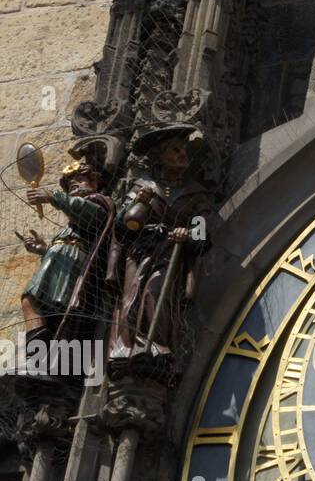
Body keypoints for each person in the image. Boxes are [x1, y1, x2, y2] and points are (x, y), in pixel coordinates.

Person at [106, 126, 214, 369]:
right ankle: (127, 347)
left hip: (170, 252)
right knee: (131, 299)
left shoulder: (196, 194)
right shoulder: (142, 187)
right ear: (159, 157)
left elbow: (202, 230)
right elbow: (124, 227)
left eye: (184, 149)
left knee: (156, 294)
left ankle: (156, 345)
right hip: (140, 252)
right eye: (175, 150)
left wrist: (187, 234)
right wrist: (139, 203)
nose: (182, 154)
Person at [16, 160, 114, 351]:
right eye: (70, 184)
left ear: (94, 183)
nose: (74, 185)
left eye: (80, 180)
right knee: (31, 302)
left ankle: (42, 356)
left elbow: (87, 213)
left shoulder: (99, 203)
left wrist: (53, 197)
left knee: (55, 308)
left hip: (76, 265)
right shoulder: (71, 222)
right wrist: (43, 250)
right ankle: (37, 356)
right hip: (59, 263)